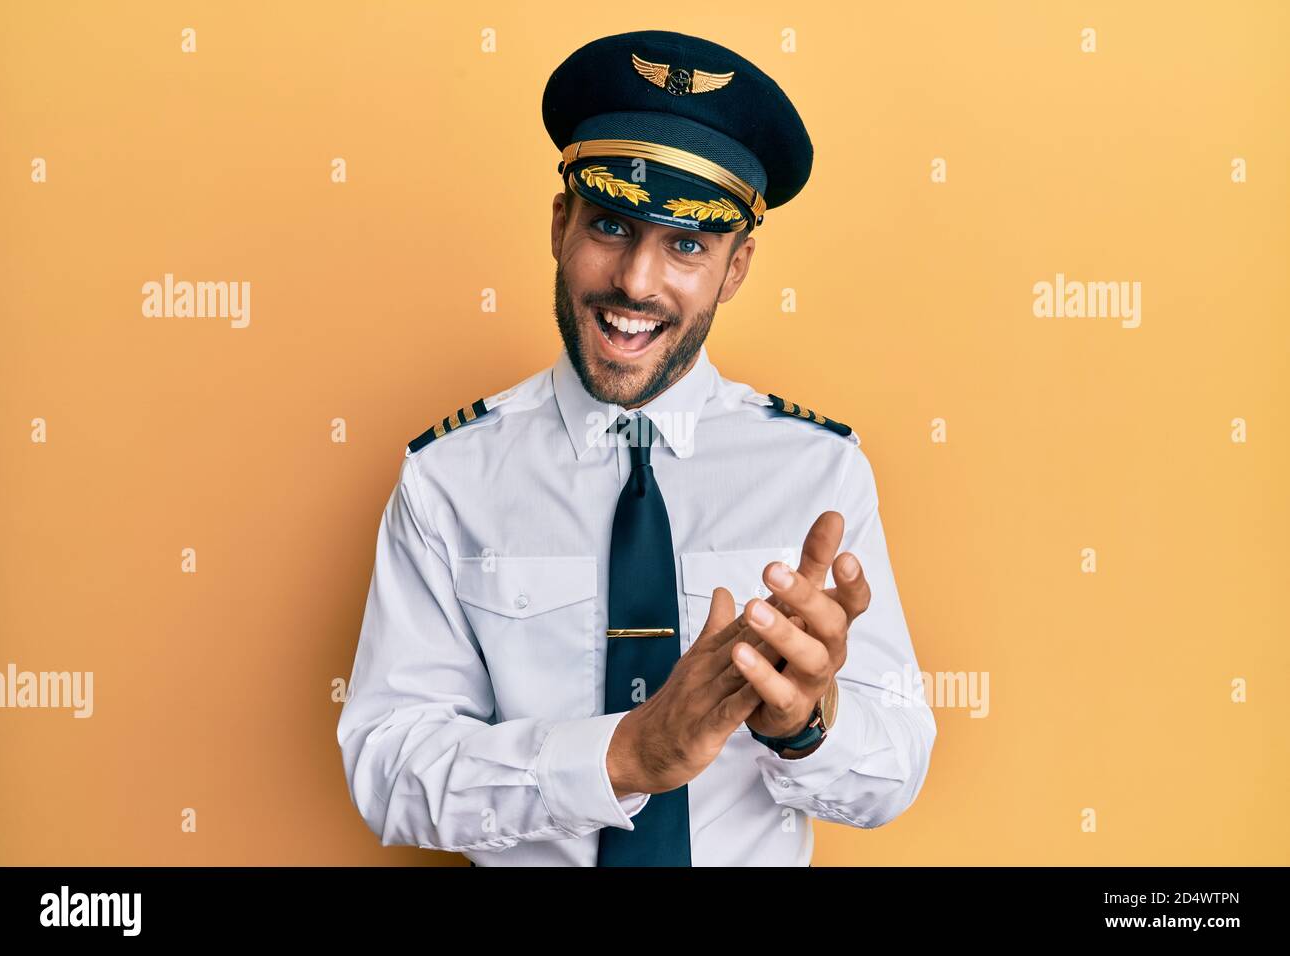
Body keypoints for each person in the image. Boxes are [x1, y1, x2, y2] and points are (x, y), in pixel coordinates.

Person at [336, 29, 936, 866]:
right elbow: (389, 767)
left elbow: (897, 766)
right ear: (560, 225)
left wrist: (804, 723)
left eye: (687, 243)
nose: (637, 281)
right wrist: (627, 756)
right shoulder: (448, 478)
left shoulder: (820, 471)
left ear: (735, 270)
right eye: (612, 224)